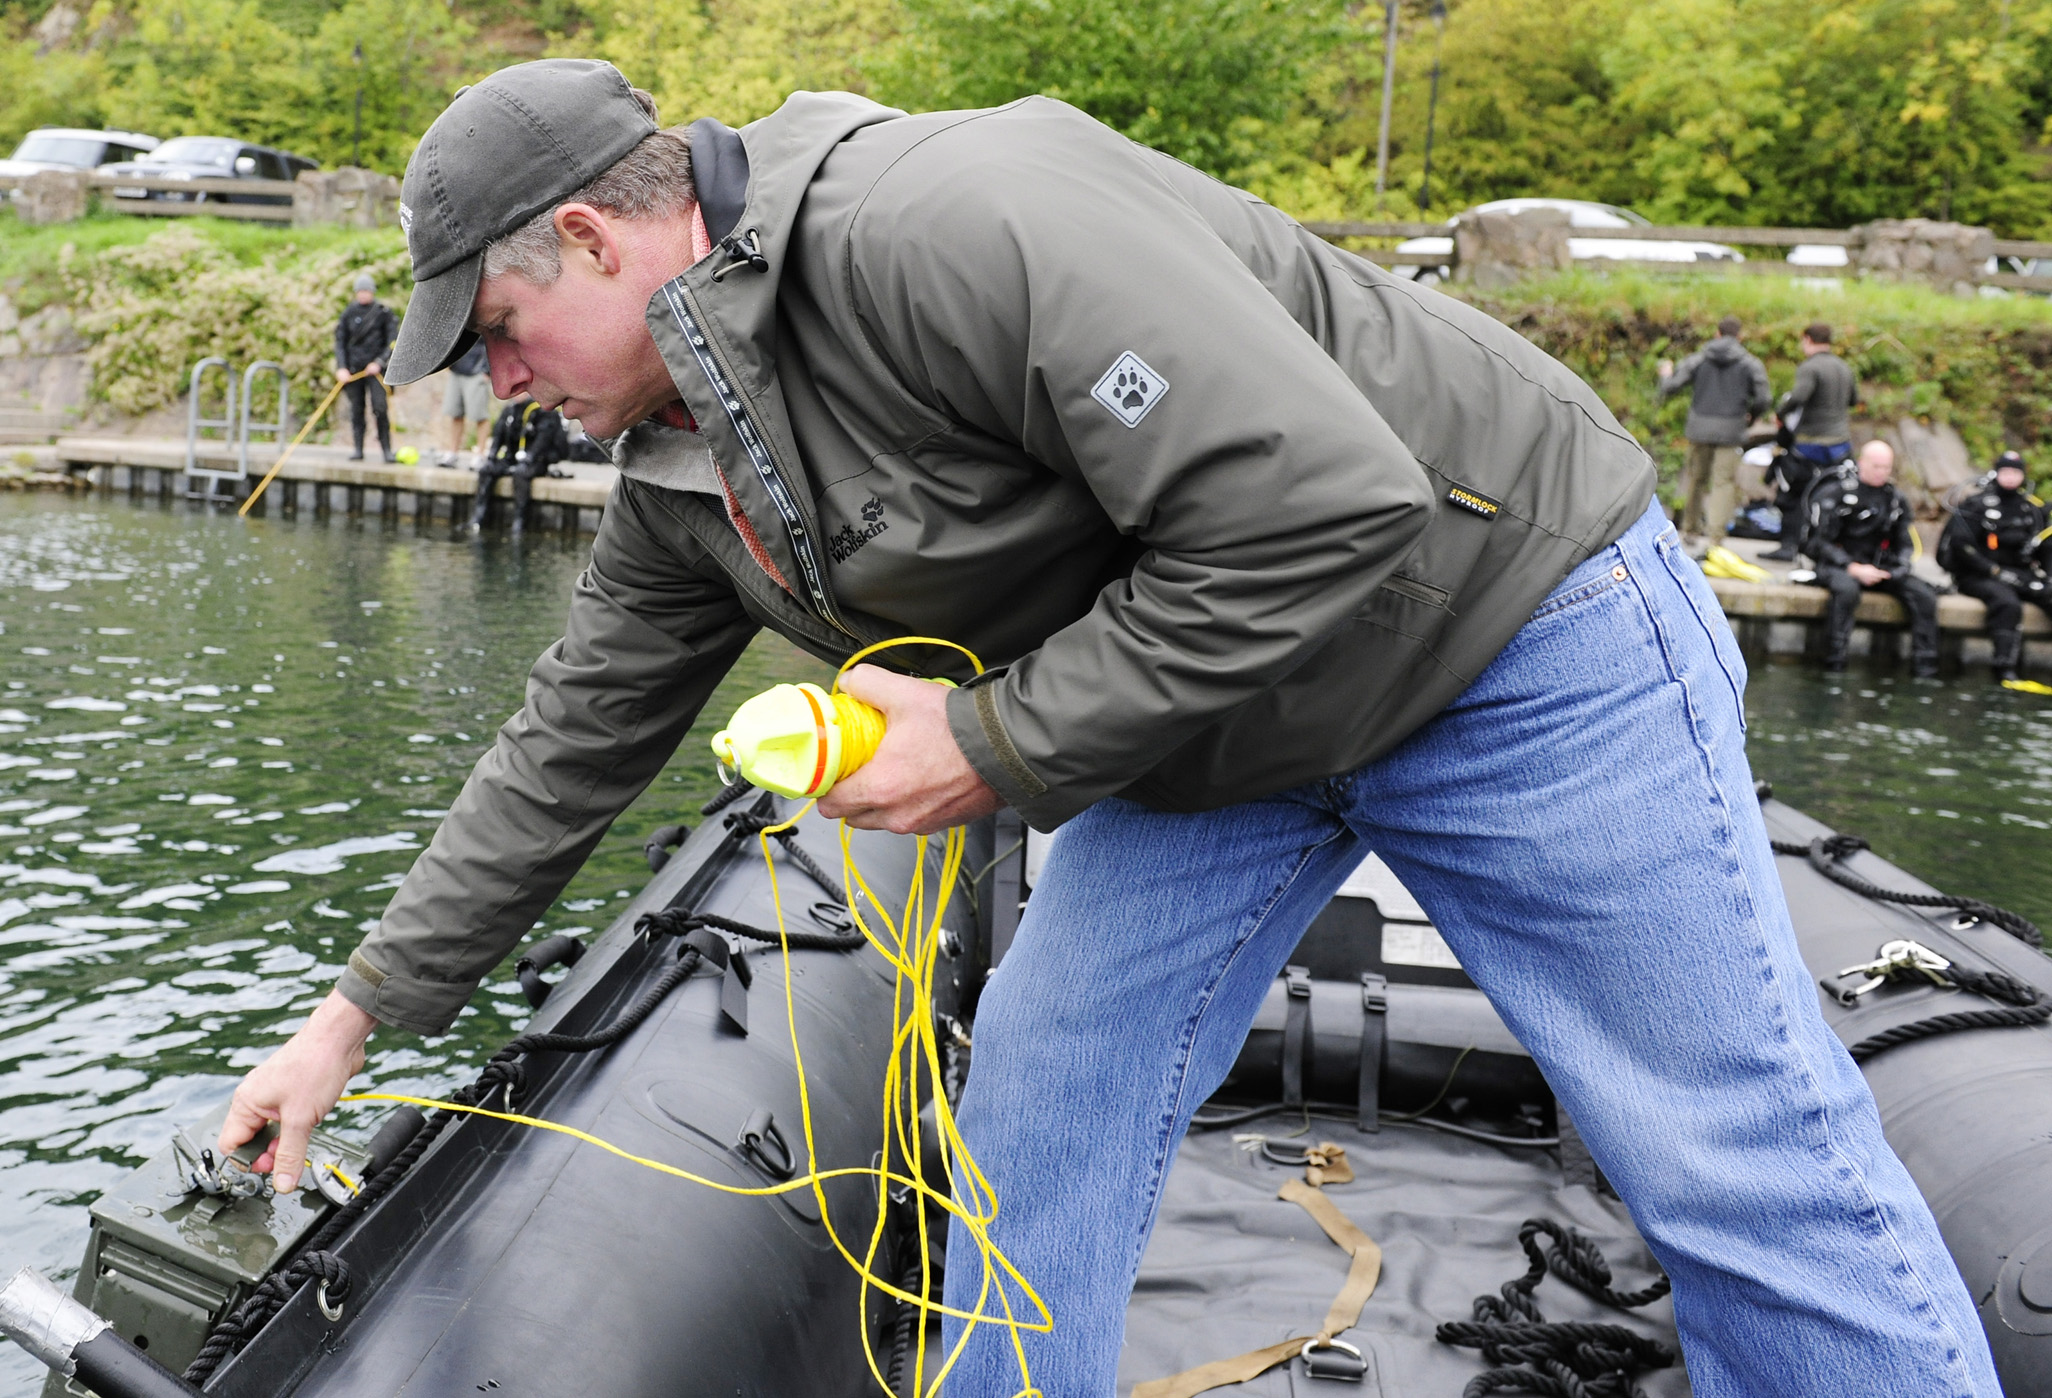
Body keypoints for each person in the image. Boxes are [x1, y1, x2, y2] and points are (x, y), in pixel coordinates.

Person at [218, 62, 2000, 1398]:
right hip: (1212, 711)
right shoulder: (683, 468)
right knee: (1035, 1129)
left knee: (1723, 1141)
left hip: (1501, 626)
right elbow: (565, 748)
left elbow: (1323, 509)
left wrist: (990, 746)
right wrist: (354, 1017)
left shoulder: (956, 216)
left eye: (503, 332)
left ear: (599, 237)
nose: (489, 381)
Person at [1806, 440, 1939, 676]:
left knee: (1923, 595)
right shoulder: (1837, 493)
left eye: (1886, 467)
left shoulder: (1895, 499)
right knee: (1846, 592)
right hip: (1840, 565)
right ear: (1862, 463)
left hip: (1880, 568)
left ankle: (1925, 667)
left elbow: (1905, 545)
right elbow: (1817, 543)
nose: (1881, 473)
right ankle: (1834, 662)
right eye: (1876, 466)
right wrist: (1851, 566)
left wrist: (1896, 570)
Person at [1656, 314, 1771, 551]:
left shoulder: (1698, 359)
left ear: (1717, 334)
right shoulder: (1750, 363)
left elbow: (1671, 387)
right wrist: (1751, 416)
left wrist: (1665, 374)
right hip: (1731, 430)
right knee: (1723, 483)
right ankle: (1716, 538)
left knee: (1697, 480)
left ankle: (1689, 530)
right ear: (1739, 337)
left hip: (1699, 429)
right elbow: (1763, 398)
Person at [1938, 449, 2050, 681]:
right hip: (1980, 574)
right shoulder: (1977, 505)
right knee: (2007, 603)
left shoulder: (2030, 509)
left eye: (2015, 472)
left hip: (2019, 572)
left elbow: (2042, 546)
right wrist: (1993, 570)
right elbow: (1961, 545)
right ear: (1996, 472)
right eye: (2005, 471)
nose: (2010, 477)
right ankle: (2004, 670)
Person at [1764, 323, 1858, 561]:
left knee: (1792, 495)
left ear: (1807, 339)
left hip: (1810, 444)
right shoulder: (1844, 367)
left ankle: (1788, 547)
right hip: (1840, 445)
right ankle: (1822, 549)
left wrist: (1779, 413)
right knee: (1832, 496)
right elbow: (1853, 400)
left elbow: (1799, 396)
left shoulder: (1810, 367)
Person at [470, 393, 566, 533]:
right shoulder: (510, 410)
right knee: (486, 470)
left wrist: (530, 457)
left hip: (536, 461)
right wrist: (492, 456)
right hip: (511, 458)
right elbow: (498, 435)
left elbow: (544, 439)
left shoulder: (543, 411)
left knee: (520, 473)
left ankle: (519, 521)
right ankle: (479, 516)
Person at [334, 273, 399, 463]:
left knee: (380, 407)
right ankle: (358, 449)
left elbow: (393, 341)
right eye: (360, 291)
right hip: (354, 370)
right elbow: (340, 343)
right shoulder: (348, 313)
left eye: (367, 291)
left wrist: (379, 362)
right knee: (356, 409)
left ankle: (387, 450)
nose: (363, 295)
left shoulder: (383, 313)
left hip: (376, 370)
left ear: (372, 292)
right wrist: (342, 368)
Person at [436, 337, 491, 468]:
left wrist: (487, 371)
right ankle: (453, 453)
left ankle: (480, 455)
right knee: (455, 413)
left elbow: (492, 341)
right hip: (457, 370)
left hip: (477, 372)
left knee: (480, 416)